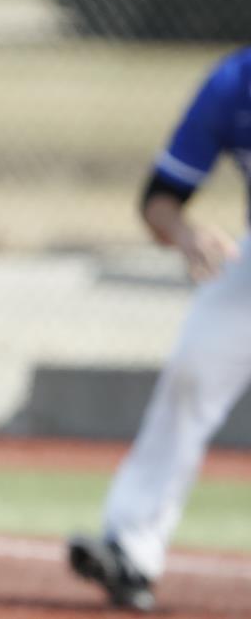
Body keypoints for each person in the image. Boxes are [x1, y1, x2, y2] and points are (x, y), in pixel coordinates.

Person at [69, 47, 251, 612]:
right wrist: (188, 235)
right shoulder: (235, 83)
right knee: (193, 373)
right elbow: (159, 199)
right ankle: (130, 548)